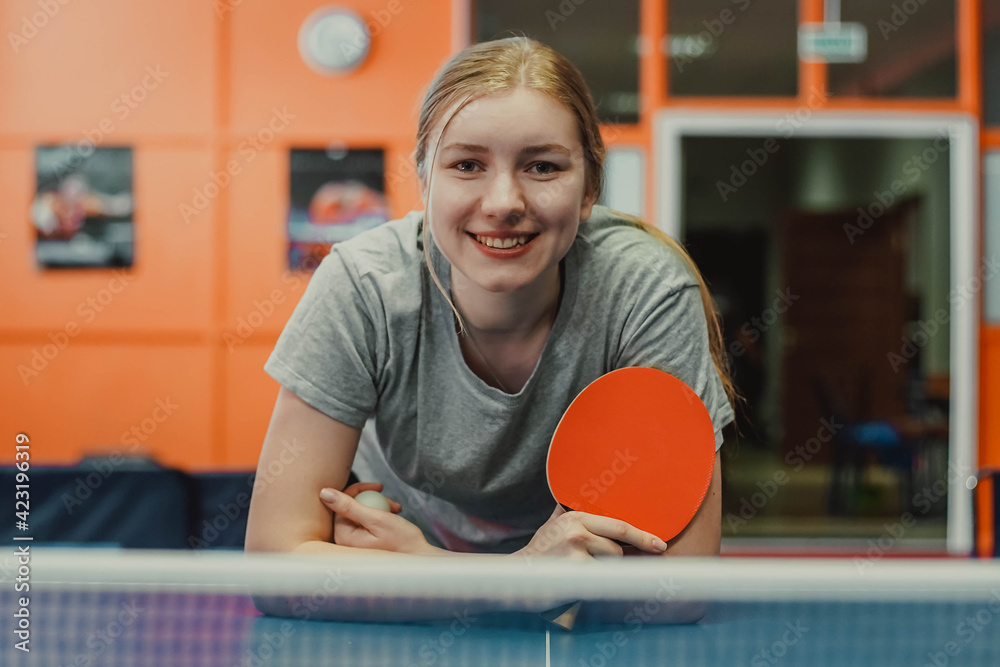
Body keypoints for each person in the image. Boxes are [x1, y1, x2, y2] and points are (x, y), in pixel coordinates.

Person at [245, 37, 736, 563]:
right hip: (407, 543)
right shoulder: (363, 285)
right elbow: (277, 561)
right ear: (423, 178)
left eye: (543, 167)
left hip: (414, 567)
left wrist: (426, 573)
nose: (504, 202)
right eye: (467, 166)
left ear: (590, 186)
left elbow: (681, 582)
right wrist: (520, 581)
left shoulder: (646, 289)